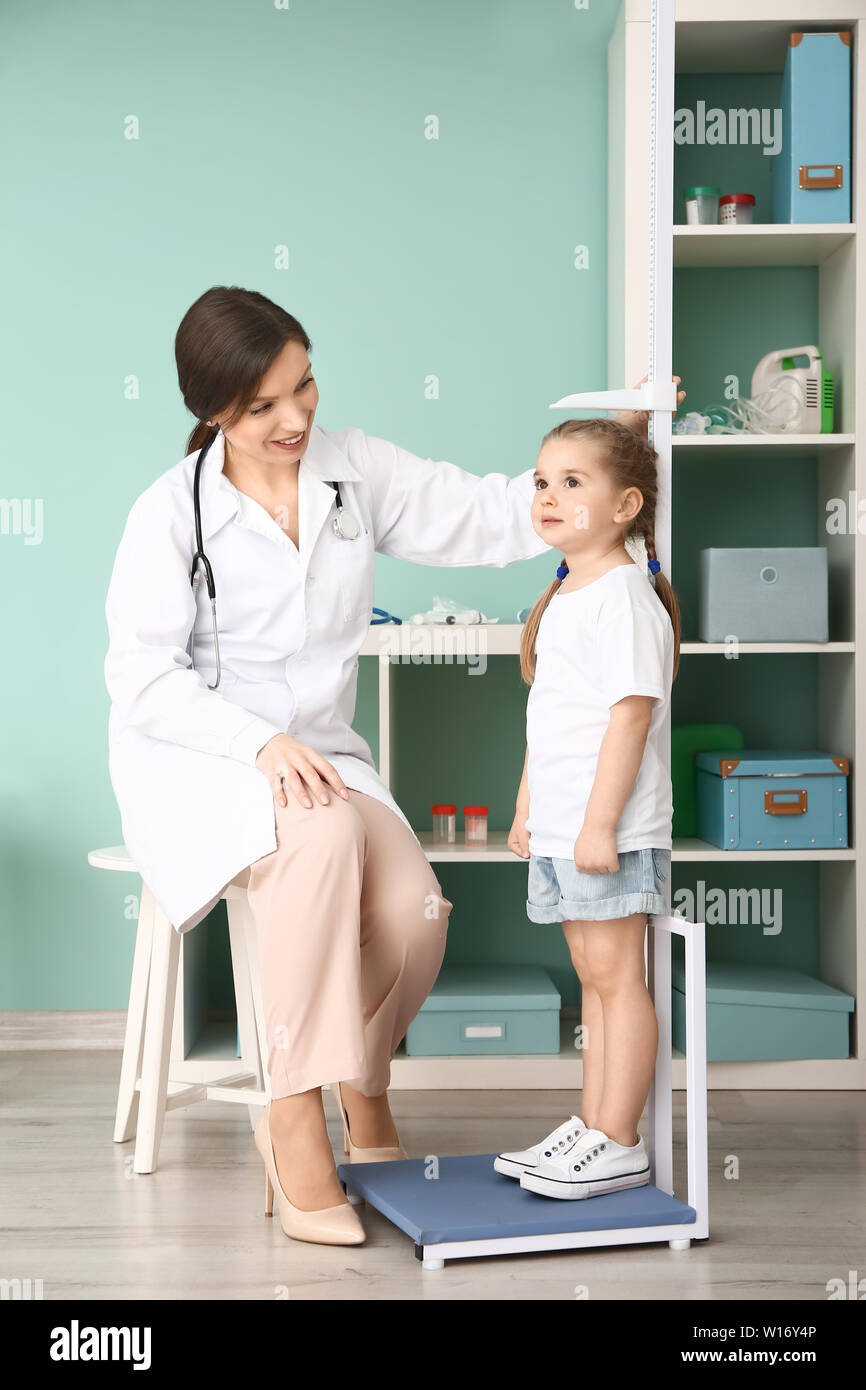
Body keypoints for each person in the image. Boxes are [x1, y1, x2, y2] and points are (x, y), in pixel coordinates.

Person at [496, 416, 682, 1200]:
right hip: (564, 830)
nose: (549, 495)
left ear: (625, 505)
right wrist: (527, 809)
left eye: (573, 482)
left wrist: (600, 823)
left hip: (607, 831)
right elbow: (552, 722)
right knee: (592, 977)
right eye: (542, 481)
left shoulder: (626, 598)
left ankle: (620, 1137)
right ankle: (591, 1124)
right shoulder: (569, 594)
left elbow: (629, 718)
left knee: (616, 979)